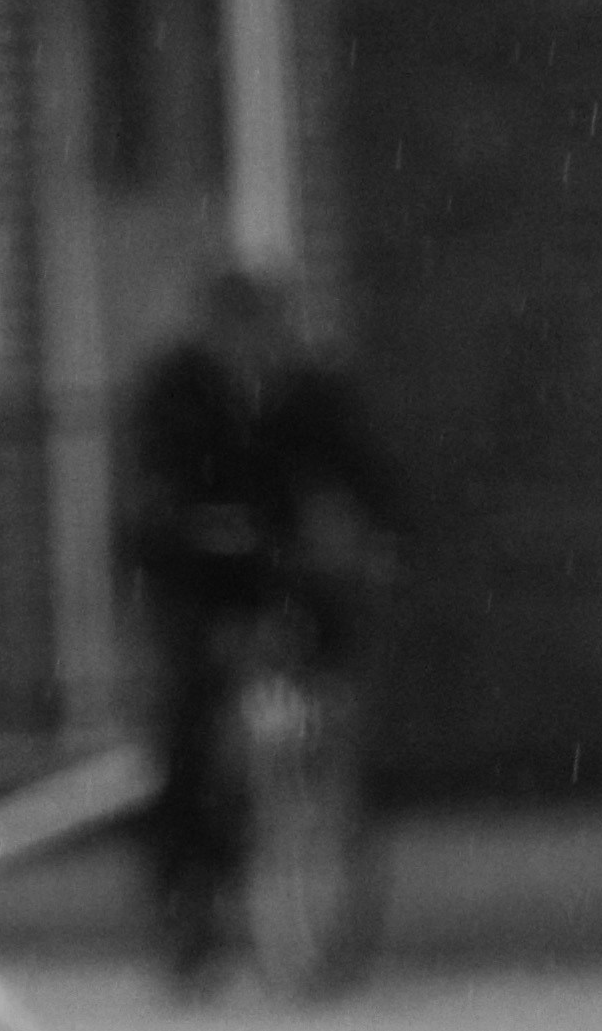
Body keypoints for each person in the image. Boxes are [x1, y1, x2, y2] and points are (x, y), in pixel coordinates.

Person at [113, 261, 399, 981]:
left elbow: (366, 474)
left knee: (333, 691)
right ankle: (187, 899)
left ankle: (335, 849)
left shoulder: (309, 394)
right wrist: (184, 528)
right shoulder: (174, 395)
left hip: (282, 571)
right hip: (197, 578)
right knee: (189, 727)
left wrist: (383, 535)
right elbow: (151, 495)